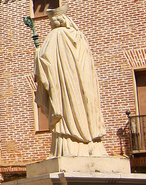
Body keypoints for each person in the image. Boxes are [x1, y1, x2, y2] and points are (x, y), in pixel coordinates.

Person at [35, 8, 109, 157]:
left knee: (67, 110)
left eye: (50, 21)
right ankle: (90, 142)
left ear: (56, 21)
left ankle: (69, 145)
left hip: (65, 85)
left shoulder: (56, 34)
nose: (50, 24)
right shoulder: (80, 36)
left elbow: (45, 59)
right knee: (83, 108)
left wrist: (37, 53)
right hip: (83, 85)